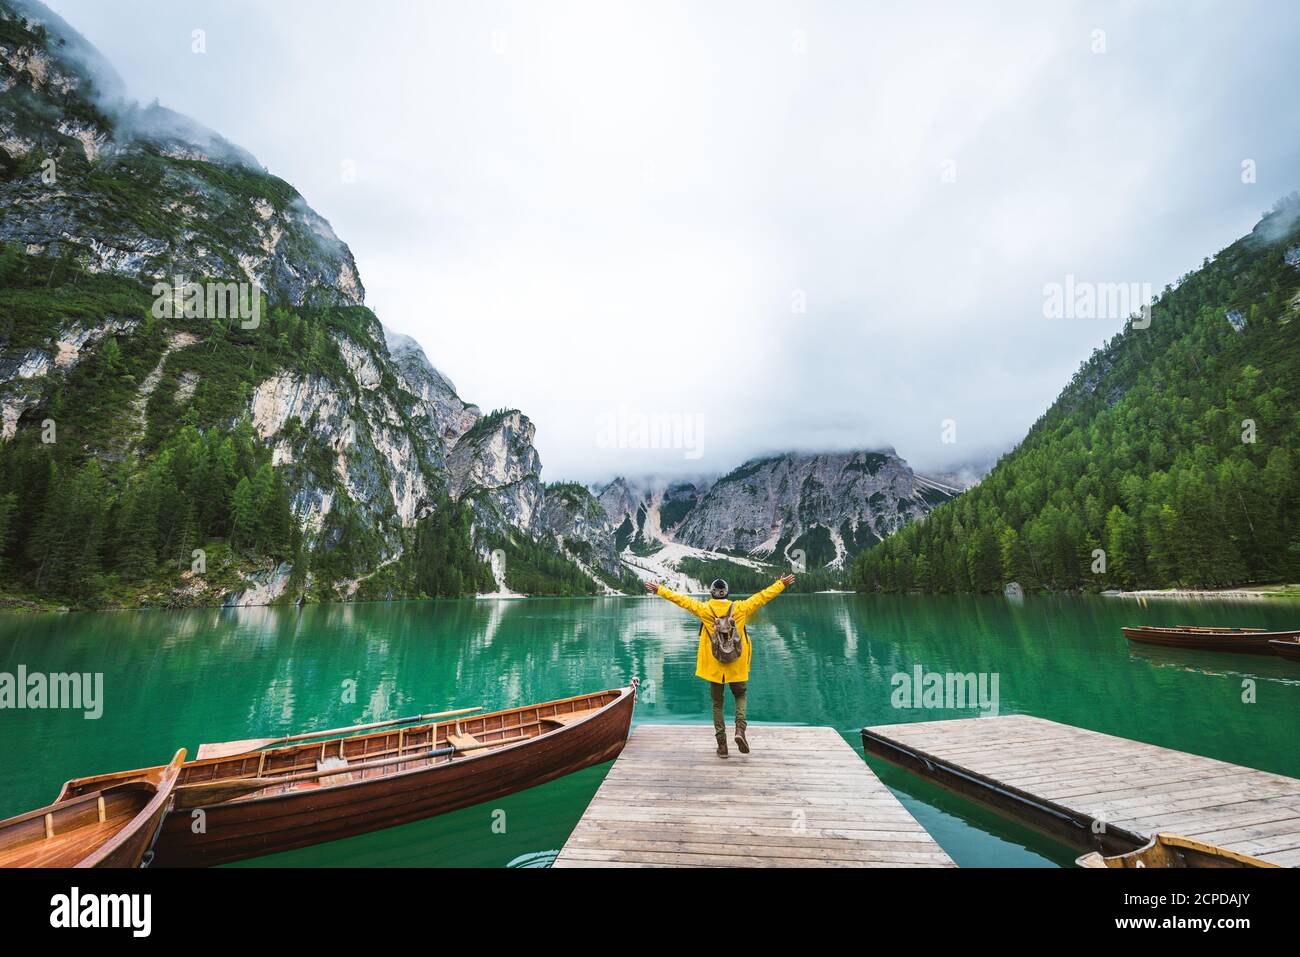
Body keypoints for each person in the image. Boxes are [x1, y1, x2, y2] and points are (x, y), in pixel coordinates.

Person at [644, 573, 796, 758]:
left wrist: (659, 589)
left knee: (717, 704)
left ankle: (722, 746)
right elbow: (763, 596)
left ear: (712, 593)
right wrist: (780, 584)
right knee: (740, 694)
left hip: (715, 666)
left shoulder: (704, 608)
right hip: (737, 663)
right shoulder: (740, 607)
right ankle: (740, 730)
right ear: (726, 593)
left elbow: (681, 600)